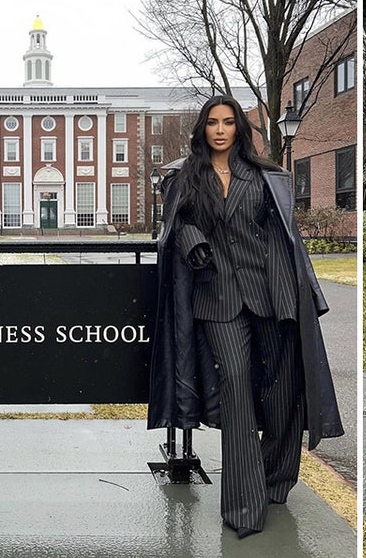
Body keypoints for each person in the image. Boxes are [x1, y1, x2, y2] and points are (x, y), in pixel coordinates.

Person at [147, 95, 344, 537]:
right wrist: (193, 237)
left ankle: (276, 479)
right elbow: (174, 226)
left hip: (270, 294)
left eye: (228, 122)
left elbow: (285, 235)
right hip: (215, 297)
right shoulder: (187, 178)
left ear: (239, 129)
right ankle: (243, 507)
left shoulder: (264, 175)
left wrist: (297, 294)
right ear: (203, 129)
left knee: (283, 389)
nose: (220, 129)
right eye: (213, 123)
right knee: (235, 384)